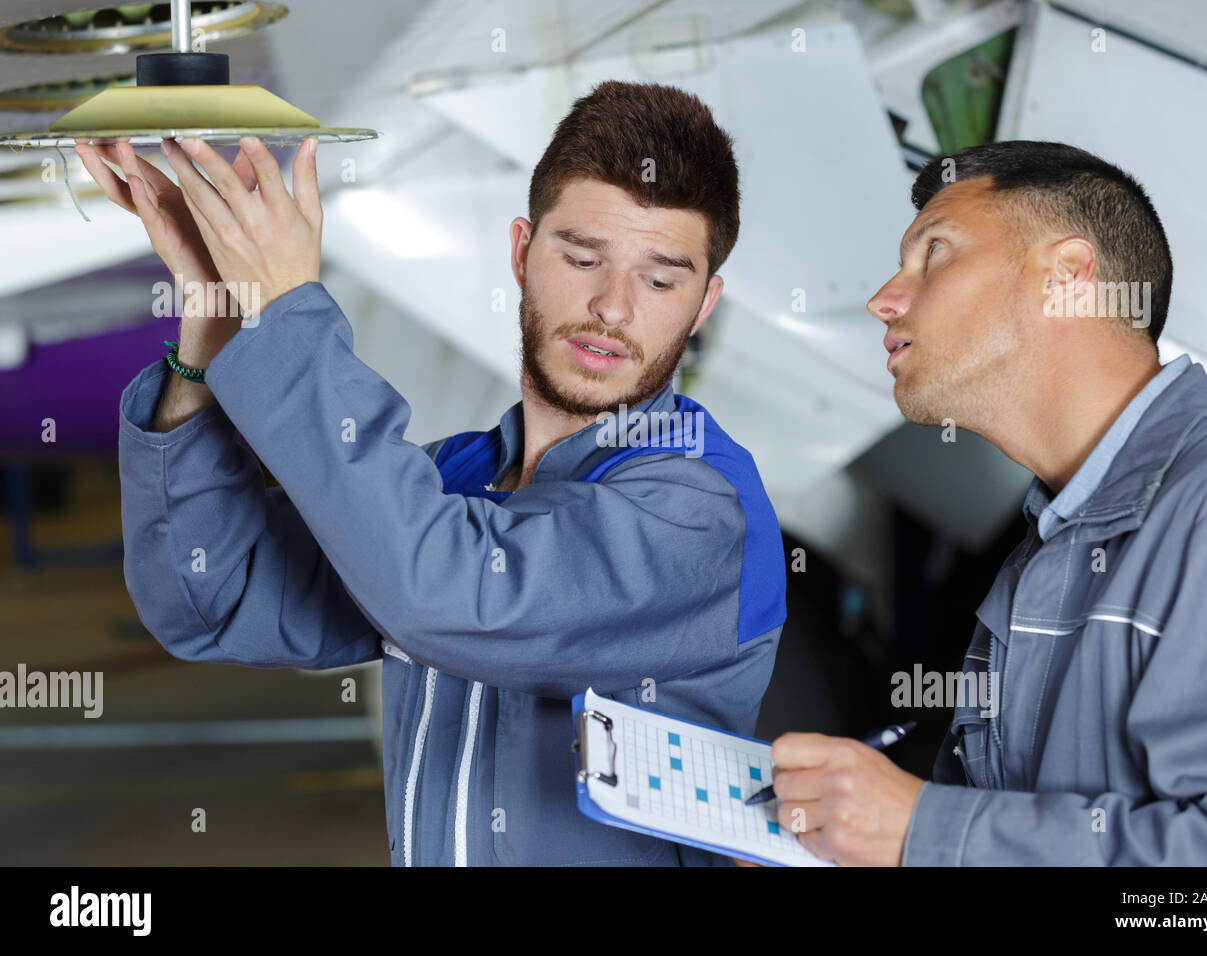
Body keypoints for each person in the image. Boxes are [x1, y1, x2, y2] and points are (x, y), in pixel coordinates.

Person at [90, 80, 786, 866]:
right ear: (522, 253)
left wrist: (289, 316)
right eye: (582, 256)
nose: (613, 307)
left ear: (703, 305)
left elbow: (446, 591)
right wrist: (213, 334)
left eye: (661, 280)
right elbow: (212, 599)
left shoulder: (703, 514)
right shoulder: (456, 483)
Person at [763, 140, 1207, 866]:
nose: (883, 298)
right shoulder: (1040, 556)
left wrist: (922, 827)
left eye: (935, 252)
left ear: (1069, 274)